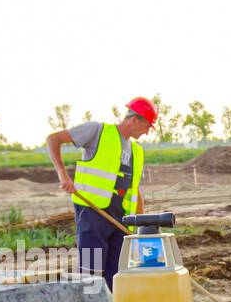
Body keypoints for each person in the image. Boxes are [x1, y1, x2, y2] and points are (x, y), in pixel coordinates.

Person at [46, 98, 155, 290]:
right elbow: (53, 139)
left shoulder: (137, 151)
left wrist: (140, 224)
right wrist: (63, 174)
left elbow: (134, 188)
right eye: (147, 126)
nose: (147, 132)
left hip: (121, 220)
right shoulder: (97, 131)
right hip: (93, 214)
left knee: (117, 277)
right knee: (91, 276)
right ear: (134, 120)